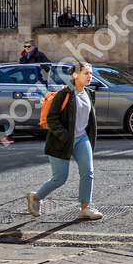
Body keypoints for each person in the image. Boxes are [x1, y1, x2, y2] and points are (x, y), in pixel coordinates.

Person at [25, 63, 104, 221]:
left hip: (82, 138)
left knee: (88, 172)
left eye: (91, 73)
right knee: (60, 178)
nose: (90, 76)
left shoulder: (89, 93)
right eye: (86, 73)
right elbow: (52, 119)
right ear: (75, 75)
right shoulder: (64, 94)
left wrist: (86, 136)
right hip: (61, 141)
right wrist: (65, 136)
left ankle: (85, 208)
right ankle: (35, 197)